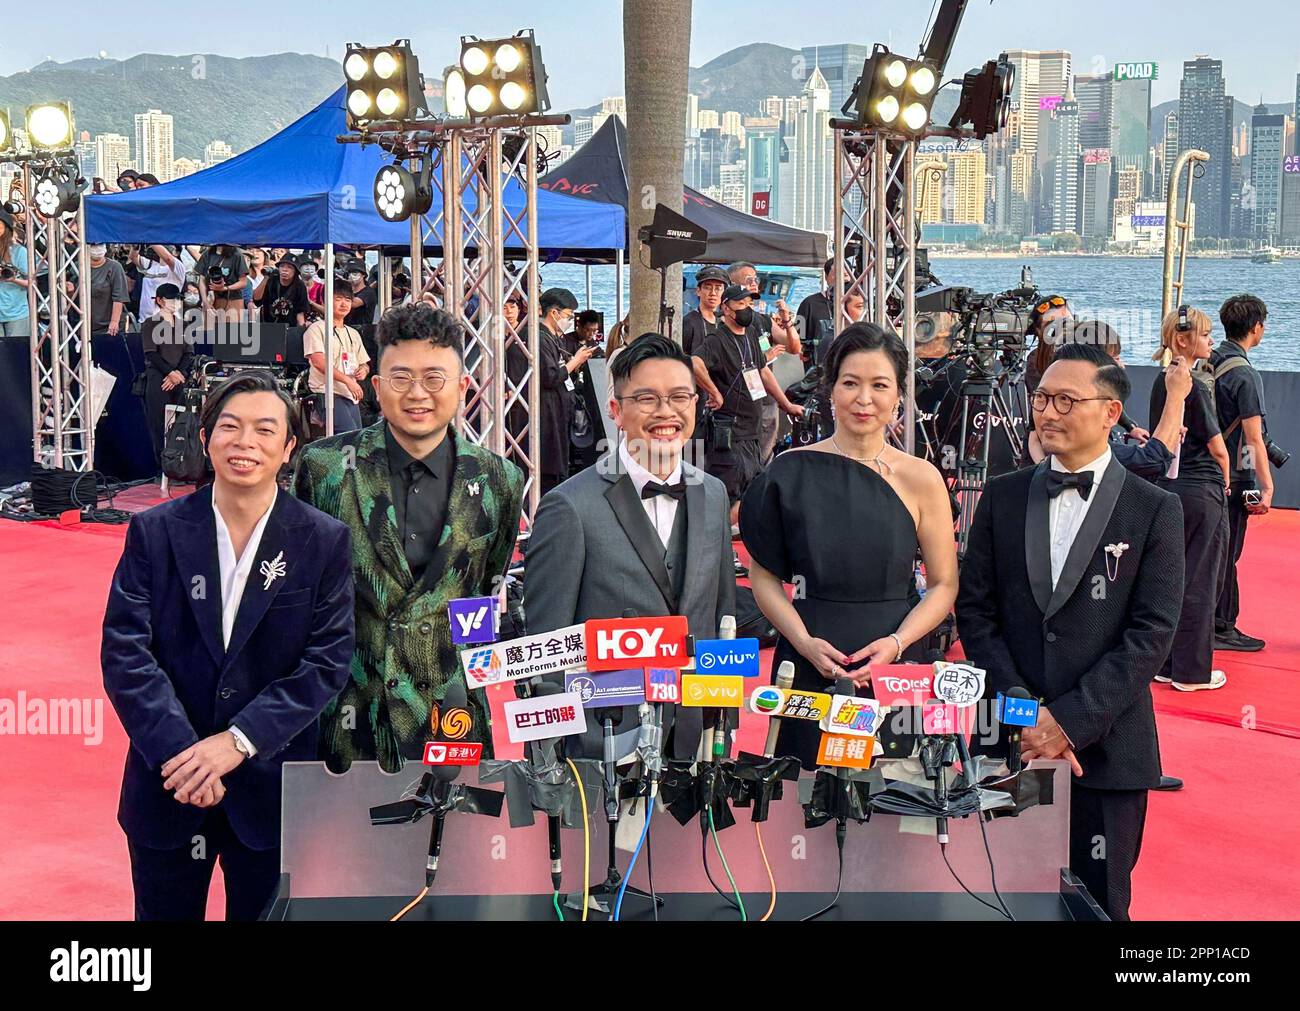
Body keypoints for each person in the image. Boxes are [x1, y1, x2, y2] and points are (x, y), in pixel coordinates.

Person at [101, 371, 355, 920]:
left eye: (265, 430)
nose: (245, 443)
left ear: (289, 447)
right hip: (168, 786)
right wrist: (181, 755)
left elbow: (327, 661)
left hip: (273, 791)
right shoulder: (156, 531)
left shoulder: (323, 540)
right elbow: (126, 652)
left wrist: (237, 742)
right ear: (205, 437)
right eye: (230, 428)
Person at [956, 342, 1184, 922]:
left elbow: (1151, 633)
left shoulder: (1154, 508)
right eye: (1041, 398)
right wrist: (1027, 716)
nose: (1048, 412)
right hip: (1012, 744)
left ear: (1111, 413)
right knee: (1002, 891)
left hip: (1107, 751)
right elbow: (976, 613)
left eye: (1065, 400)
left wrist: (1070, 722)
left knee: (1099, 904)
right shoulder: (1003, 495)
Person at [293, 304, 524, 772]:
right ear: (376, 388)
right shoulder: (324, 468)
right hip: (348, 723)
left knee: (456, 846)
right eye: (401, 379)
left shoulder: (500, 479)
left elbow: (483, 586)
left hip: (455, 721)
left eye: (435, 379)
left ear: (462, 387)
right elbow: (301, 593)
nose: (418, 394)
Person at [741, 323, 958, 769]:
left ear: (898, 393)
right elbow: (762, 576)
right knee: (801, 800)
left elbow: (943, 586)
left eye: (880, 385)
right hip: (808, 657)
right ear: (831, 388)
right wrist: (802, 641)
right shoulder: (788, 470)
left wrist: (897, 644)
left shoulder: (922, 477)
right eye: (850, 383)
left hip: (895, 662)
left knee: (894, 797)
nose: (864, 399)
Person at [524, 333, 734, 761]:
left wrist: (723, 723)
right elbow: (545, 647)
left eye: (679, 397)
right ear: (616, 411)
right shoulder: (569, 506)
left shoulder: (712, 494)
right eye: (647, 399)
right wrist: (548, 760)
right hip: (603, 742)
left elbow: (720, 615)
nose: (666, 412)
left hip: (695, 735)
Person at [1147, 307, 1230, 692]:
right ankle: (1192, 671)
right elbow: (1217, 446)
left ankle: (1165, 662)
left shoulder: (1160, 381)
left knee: (1174, 578)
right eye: (1206, 333)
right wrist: (1227, 478)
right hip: (1201, 489)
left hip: (1170, 488)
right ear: (1183, 340)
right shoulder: (1192, 384)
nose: (1211, 340)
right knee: (1201, 578)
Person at [691, 284, 804, 528]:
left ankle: (730, 538)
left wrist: (786, 405)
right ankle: (714, 542)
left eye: (749, 304)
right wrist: (714, 392)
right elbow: (695, 363)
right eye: (741, 304)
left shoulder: (752, 333)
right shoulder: (717, 340)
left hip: (753, 430)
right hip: (729, 431)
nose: (747, 309)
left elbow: (763, 370)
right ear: (727, 309)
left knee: (753, 491)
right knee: (727, 494)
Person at [1213, 294, 1273, 653]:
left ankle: (1208, 621)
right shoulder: (1245, 375)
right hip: (1235, 476)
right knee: (1228, 553)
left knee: (1211, 552)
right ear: (1256, 328)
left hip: (1205, 471)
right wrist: (1266, 485)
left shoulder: (1210, 361)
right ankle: (1222, 625)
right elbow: (1254, 437)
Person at [536, 287, 594, 495]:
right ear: (554, 313)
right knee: (551, 464)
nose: (569, 321)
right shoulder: (540, 338)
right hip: (548, 410)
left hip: (562, 409)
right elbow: (551, 376)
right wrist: (575, 361)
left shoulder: (555, 338)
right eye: (568, 316)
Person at [141, 283, 194, 470]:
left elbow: (189, 354)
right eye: (172, 299)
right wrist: (170, 373)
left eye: (178, 299)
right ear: (160, 300)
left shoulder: (184, 325)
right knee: (158, 425)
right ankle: (161, 467)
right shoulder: (150, 323)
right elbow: (151, 353)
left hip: (179, 378)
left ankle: (178, 465)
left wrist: (178, 373)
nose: (176, 302)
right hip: (158, 379)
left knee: (180, 424)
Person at [303, 283, 369, 432]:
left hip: (350, 394)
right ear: (326, 302)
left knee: (357, 438)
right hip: (327, 392)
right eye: (338, 299)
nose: (344, 303)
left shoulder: (353, 333)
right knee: (347, 436)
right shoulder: (316, 328)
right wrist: (347, 380)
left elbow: (364, 364)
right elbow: (319, 362)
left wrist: (363, 370)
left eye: (348, 299)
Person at [795, 257, 836, 365]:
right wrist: (803, 349)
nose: (841, 279)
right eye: (836, 274)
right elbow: (799, 332)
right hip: (816, 364)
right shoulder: (808, 303)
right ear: (826, 277)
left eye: (845, 275)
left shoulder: (854, 305)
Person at [130, 244, 187, 319]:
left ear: (177, 252)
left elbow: (168, 258)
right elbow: (133, 257)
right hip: (146, 318)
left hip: (167, 319)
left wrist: (150, 239)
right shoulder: (151, 265)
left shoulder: (179, 267)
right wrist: (135, 247)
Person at [681, 265, 728, 356]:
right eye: (708, 288)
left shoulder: (724, 322)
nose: (713, 293)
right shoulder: (689, 321)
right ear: (698, 291)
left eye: (718, 288)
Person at [196, 244, 249, 322]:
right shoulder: (207, 254)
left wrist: (225, 288)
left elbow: (243, 282)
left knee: (229, 331)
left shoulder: (237, 255)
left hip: (232, 300)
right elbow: (202, 279)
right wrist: (205, 301)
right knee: (210, 331)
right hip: (211, 299)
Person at [0, 206, 31, 338]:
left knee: (16, 353)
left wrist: (13, 279)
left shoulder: (19, 252)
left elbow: (33, 283)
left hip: (17, 313)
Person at [254, 255, 309, 327]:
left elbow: (300, 313)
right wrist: (266, 278)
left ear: (295, 271)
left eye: (289, 267)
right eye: (282, 266)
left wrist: (300, 330)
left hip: (290, 327)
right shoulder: (271, 280)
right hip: (268, 326)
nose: (285, 269)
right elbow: (256, 299)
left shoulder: (299, 286)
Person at [87, 242, 129, 335]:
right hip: (84, 325)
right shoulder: (77, 267)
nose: (97, 248)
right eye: (93, 245)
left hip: (109, 327)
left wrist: (114, 322)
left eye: (100, 244)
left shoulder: (115, 267)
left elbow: (119, 297)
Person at [343, 260, 378, 327]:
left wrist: (344, 285)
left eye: (355, 273)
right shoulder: (346, 290)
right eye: (349, 273)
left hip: (362, 331)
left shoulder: (368, 292)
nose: (351, 276)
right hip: (346, 329)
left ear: (363, 275)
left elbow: (353, 303)